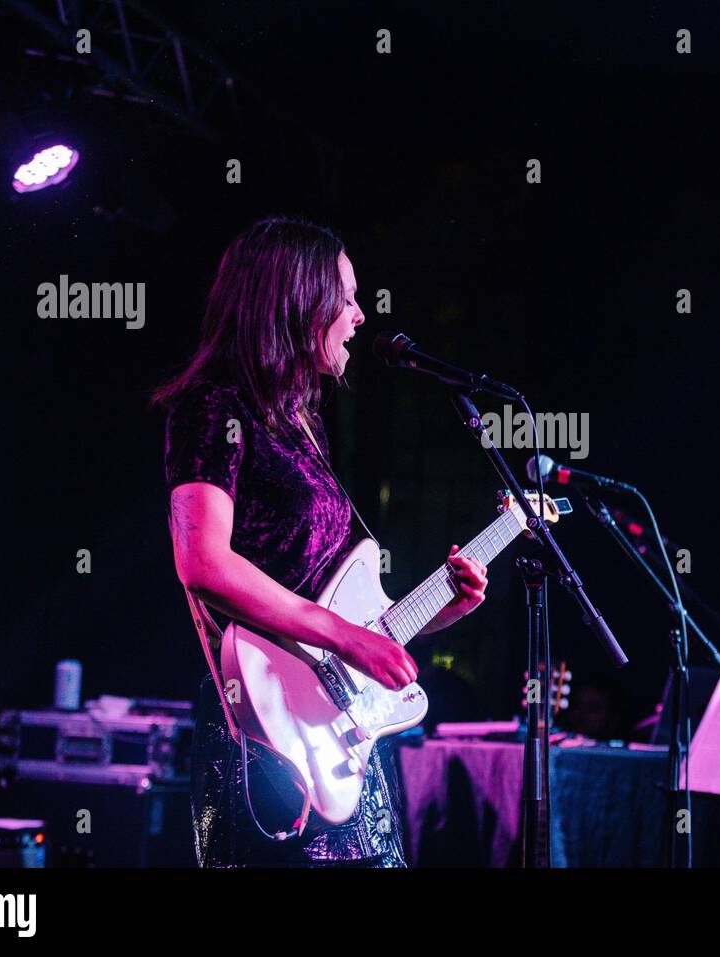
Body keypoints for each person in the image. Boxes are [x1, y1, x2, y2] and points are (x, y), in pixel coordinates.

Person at [155, 216, 488, 867]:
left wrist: (431, 613)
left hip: (332, 735)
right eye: (348, 296)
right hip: (260, 734)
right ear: (299, 299)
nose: (361, 316)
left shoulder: (303, 427)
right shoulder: (212, 406)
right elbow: (203, 561)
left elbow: (327, 616)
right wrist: (347, 635)